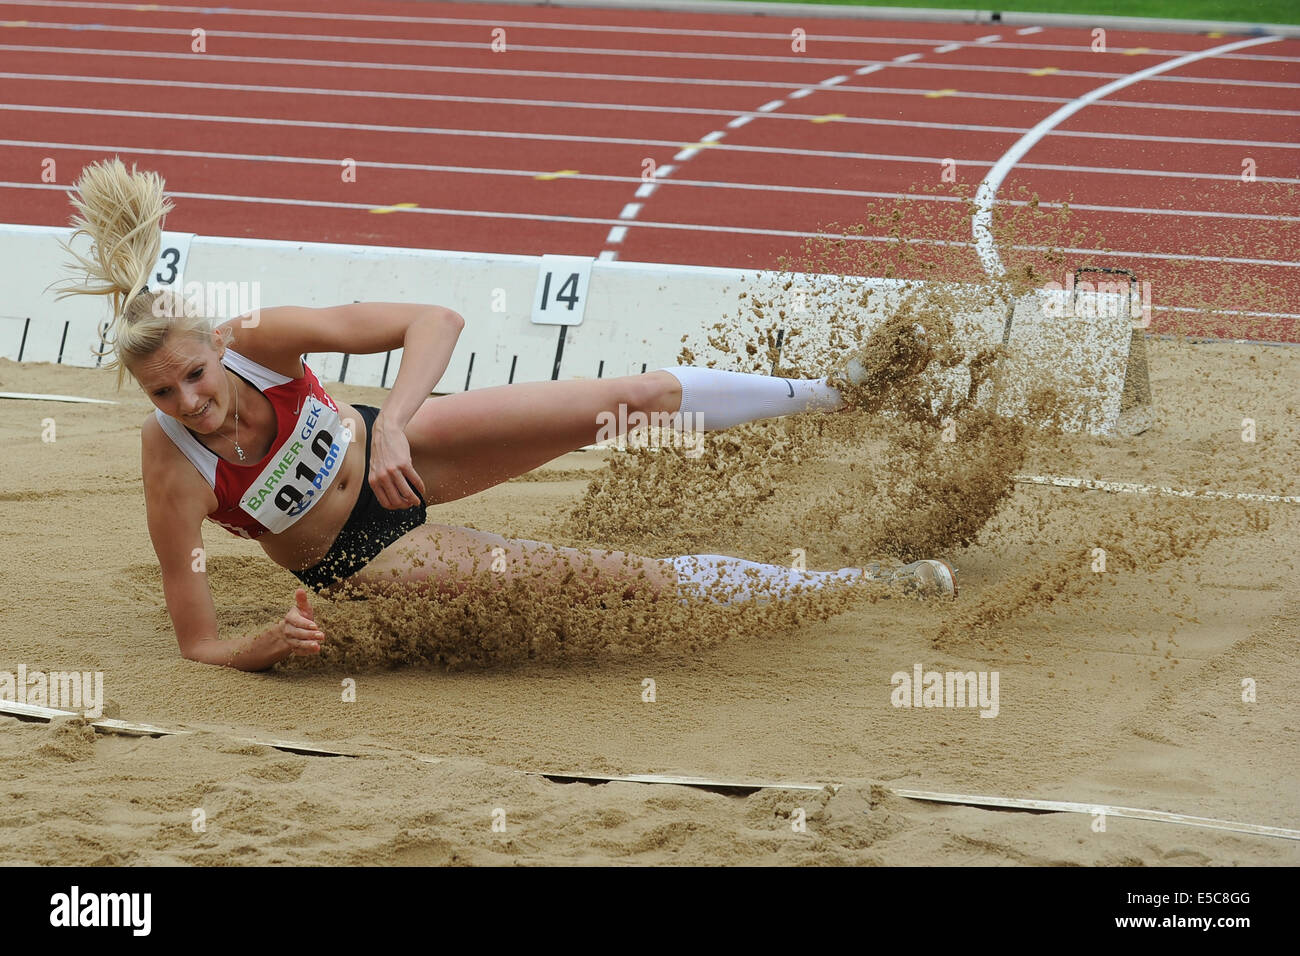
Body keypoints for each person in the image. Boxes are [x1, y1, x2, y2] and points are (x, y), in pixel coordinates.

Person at [56, 158, 956, 672]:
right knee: (599, 576)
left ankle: (843, 391)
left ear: (218, 345)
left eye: (194, 377)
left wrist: (398, 424)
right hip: (360, 554)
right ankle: (864, 583)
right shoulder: (172, 463)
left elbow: (433, 321)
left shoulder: (261, 338)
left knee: (629, 401)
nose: (190, 402)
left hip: (396, 450)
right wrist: (266, 643)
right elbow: (199, 643)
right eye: (164, 395)